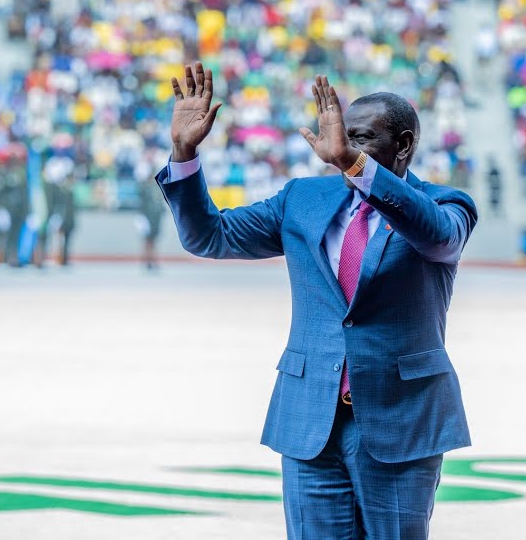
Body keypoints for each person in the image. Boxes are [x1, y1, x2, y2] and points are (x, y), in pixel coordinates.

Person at [155, 64, 478, 540]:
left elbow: (438, 238)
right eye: (342, 137)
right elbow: (209, 236)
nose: (342, 147)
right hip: (310, 421)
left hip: (400, 421)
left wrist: (357, 167)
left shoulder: (447, 205)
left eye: (362, 139)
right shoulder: (302, 199)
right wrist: (184, 154)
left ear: (404, 145)